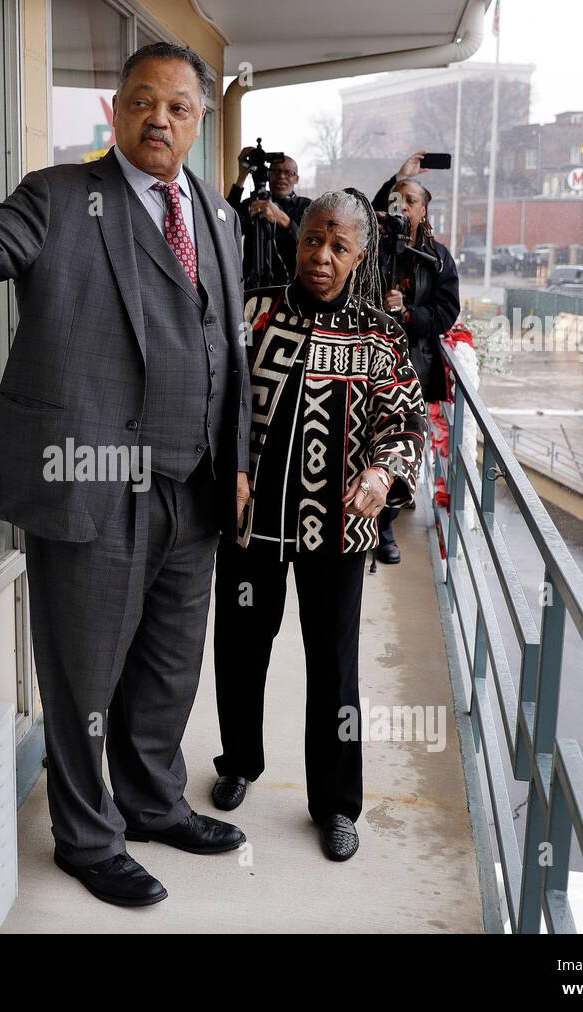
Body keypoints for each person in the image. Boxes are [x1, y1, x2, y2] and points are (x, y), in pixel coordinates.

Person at [0, 42, 251, 909]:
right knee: (82, 673)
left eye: (178, 106)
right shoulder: (62, 199)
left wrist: (238, 459)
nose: (159, 119)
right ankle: (87, 836)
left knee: (171, 666)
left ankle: (151, 801)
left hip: (195, 482)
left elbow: (228, 349)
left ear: (201, 118)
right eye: (142, 102)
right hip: (92, 480)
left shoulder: (214, 209)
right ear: (115, 111)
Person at [210, 189, 426, 862]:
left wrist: (383, 470)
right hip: (255, 522)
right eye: (312, 241)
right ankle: (239, 760)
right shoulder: (257, 309)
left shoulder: (378, 332)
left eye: (338, 246)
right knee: (242, 648)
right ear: (296, 239)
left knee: (334, 667)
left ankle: (335, 803)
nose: (322, 257)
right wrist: (229, 465)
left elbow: (408, 421)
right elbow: (216, 396)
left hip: (337, 531)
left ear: (361, 254)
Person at [369, 151, 460, 565]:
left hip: (416, 369)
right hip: (369, 364)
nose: (401, 207)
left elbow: (446, 312)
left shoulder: (438, 258)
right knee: (366, 442)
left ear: (424, 210)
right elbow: (366, 213)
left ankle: (384, 524)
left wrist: (408, 314)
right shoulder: (374, 245)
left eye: (410, 201)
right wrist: (400, 175)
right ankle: (372, 520)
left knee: (402, 445)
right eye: (396, 199)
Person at [227, 148, 311, 286]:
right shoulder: (255, 203)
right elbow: (225, 226)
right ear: (267, 175)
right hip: (252, 287)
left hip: (291, 287)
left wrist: (285, 220)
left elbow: (311, 244)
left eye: (288, 173)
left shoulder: (306, 207)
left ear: (296, 179)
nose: (281, 177)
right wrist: (241, 177)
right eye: (276, 171)